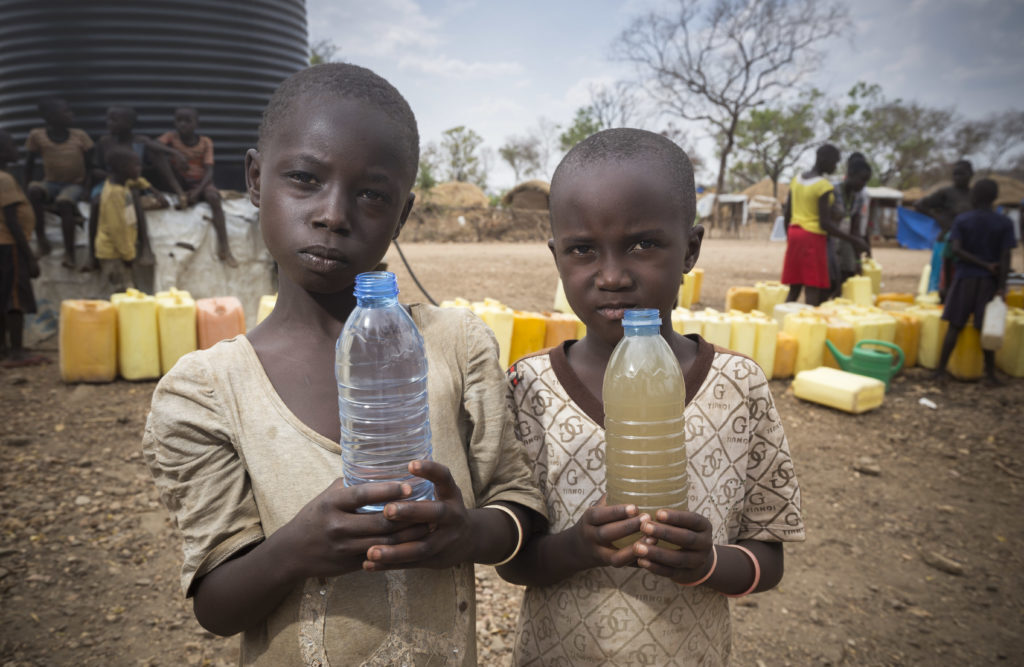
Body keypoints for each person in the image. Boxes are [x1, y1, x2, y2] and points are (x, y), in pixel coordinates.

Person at [141, 63, 546, 666]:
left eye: (372, 195)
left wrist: (467, 534)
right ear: (256, 178)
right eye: (304, 178)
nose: (334, 214)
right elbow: (217, 606)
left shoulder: (457, 345)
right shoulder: (206, 391)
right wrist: (296, 549)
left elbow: (518, 505)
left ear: (402, 215)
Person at [499, 128, 805, 665]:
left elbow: (768, 558)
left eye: (643, 244)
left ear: (690, 249)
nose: (613, 276)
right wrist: (577, 548)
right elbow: (513, 560)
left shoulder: (739, 385)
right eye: (583, 249)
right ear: (557, 258)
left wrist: (707, 562)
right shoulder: (529, 389)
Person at [933, 179, 1016, 384]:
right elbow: (1006, 258)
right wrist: (1001, 285)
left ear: (973, 196)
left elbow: (956, 250)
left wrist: (976, 265)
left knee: (955, 325)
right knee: (986, 327)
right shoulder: (1004, 223)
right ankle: (990, 375)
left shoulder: (963, 220)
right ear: (995, 198)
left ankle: (940, 372)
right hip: (989, 282)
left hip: (964, 279)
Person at [82, 106, 181, 271]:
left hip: (134, 185)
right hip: (111, 182)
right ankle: (92, 255)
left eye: (114, 120)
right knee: (96, 203)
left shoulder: (139, 141)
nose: (109, 123)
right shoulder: (105, 142)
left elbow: (156, 148)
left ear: (129, 123)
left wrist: (176, 154)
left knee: (133, 196)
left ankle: (145, 247)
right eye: (108, 119)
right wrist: (107, 177)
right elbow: (94, 168)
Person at [781, 144, 869, 306]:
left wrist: (790, 238)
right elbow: (825, 223)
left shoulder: (796, 179)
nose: (835, 167)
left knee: (794, 287)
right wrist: (853, 240)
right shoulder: (824, 186)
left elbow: (787, 215)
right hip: (813, 238)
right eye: (834, 162)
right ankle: (811, 326)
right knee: (812, 287)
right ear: (824, 160)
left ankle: (781, 320)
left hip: (794, 234)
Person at [156, 106, 238, 266]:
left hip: (200, 183)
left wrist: (197, 191)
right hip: (179, 183)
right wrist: (175, 153)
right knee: (158, 156)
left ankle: (225, 248)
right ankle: (181, 194)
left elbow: (209, 172)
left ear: (196, 124)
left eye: (188, 121)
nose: (183, 125)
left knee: (214, 198)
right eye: (179, 120)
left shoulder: (205, 142)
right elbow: (150, 144)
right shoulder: (171, 138)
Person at [24, 97, 95, 267]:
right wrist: (26, 187)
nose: (71, 115)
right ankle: (42, 241)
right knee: (34, 191)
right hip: (50, 183)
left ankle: (69, 254)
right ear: (50, 116)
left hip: (74, 184)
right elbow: (29, 164)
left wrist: (86, 189)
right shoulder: (37, 135)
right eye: (66, 112)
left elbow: (90, 166)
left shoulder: (80, 136)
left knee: (65, 202)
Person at [94, 147, 168, 295]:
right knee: (122, 293)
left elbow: (138, 181)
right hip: (115, 254)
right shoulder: (115, 194)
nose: (140, 169)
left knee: (127, 291)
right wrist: (128, 255)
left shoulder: (120, 182)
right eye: (136, 166)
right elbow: (117, 230)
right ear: (122, 169)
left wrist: (152, 189)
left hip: (120, 251)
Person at [0, 130, 44, 368]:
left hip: (4, 245)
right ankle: (16, 351)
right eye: (11, 145)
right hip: (10, 246)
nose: (16, 150)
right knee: (14, 298)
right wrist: (29, 256)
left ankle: (4, 348)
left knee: (4, 296)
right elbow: (12, 221)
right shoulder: (5, 179)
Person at [916, 160, 973, 300]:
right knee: (940, 282)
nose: (958, 177)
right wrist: (938, 218)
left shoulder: (974, 195)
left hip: (968, 244)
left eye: (962, 174)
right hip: (945, 240)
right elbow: (919, 204)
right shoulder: (946, 193)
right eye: (955, 174)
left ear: (971, 174)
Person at [829, 155, 873, 294]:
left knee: (848, 276)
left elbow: (855, 228)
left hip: (847, 241)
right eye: (862, 180)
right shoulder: (832, 191)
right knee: (831, 279)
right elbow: (826, 223)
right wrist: (854, 239)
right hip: (830, 239)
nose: (863, 185)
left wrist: (858, 260)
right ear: (850, 175)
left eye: (866, 181)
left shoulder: (859, 197)